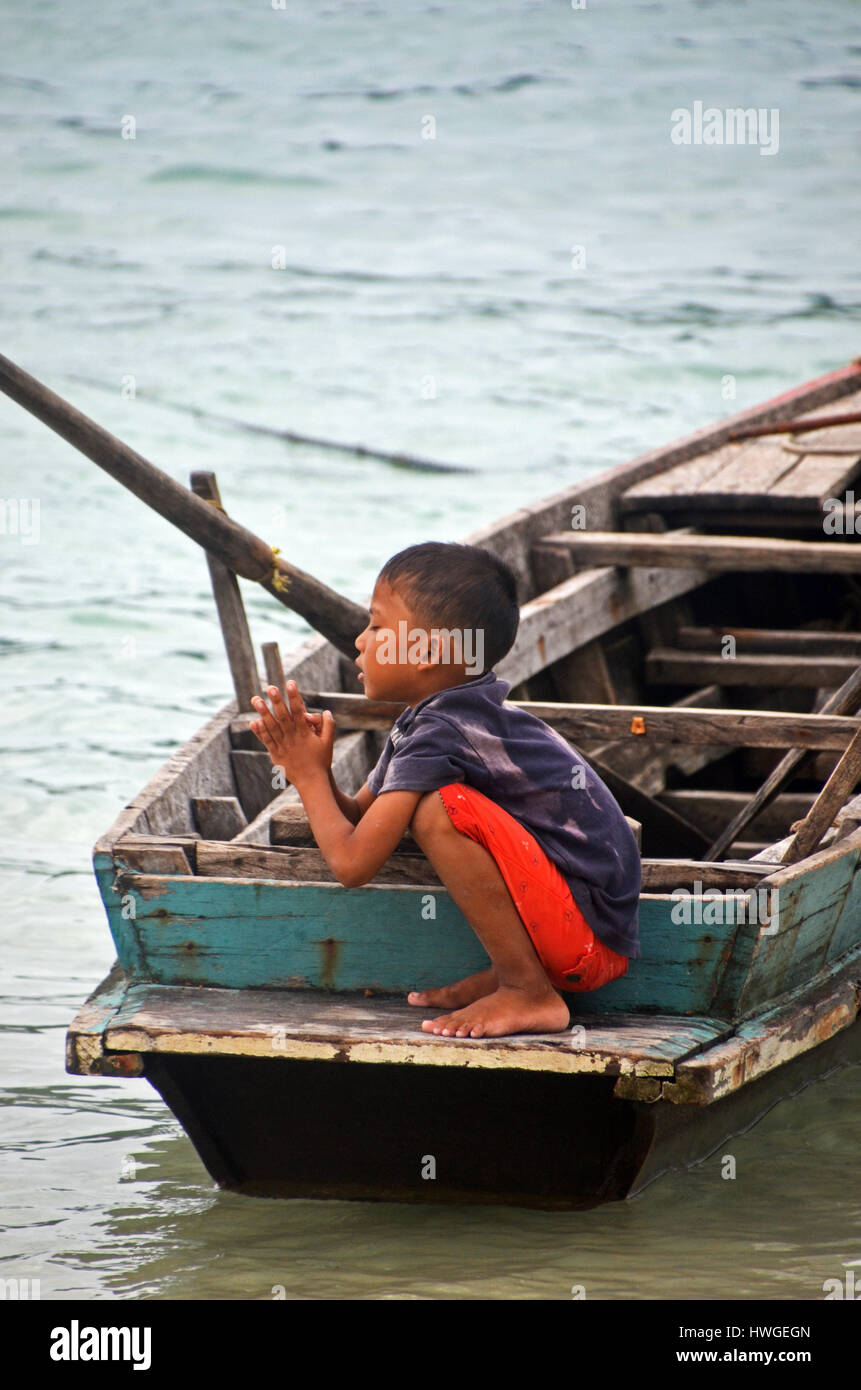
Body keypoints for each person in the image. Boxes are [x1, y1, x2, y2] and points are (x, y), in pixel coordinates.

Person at [250, 541, 641, 1039]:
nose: (359, 641)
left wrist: (305, 779)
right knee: (435, 804)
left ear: (430, 652)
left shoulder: (442, 732)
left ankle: (527, 992)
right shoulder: (432, 720)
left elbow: (352, 864)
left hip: (588, 939)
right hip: (577, 927)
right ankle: (514, 975)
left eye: (377, 626)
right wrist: (317, 768)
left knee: (439, 809)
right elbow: (356, 823)